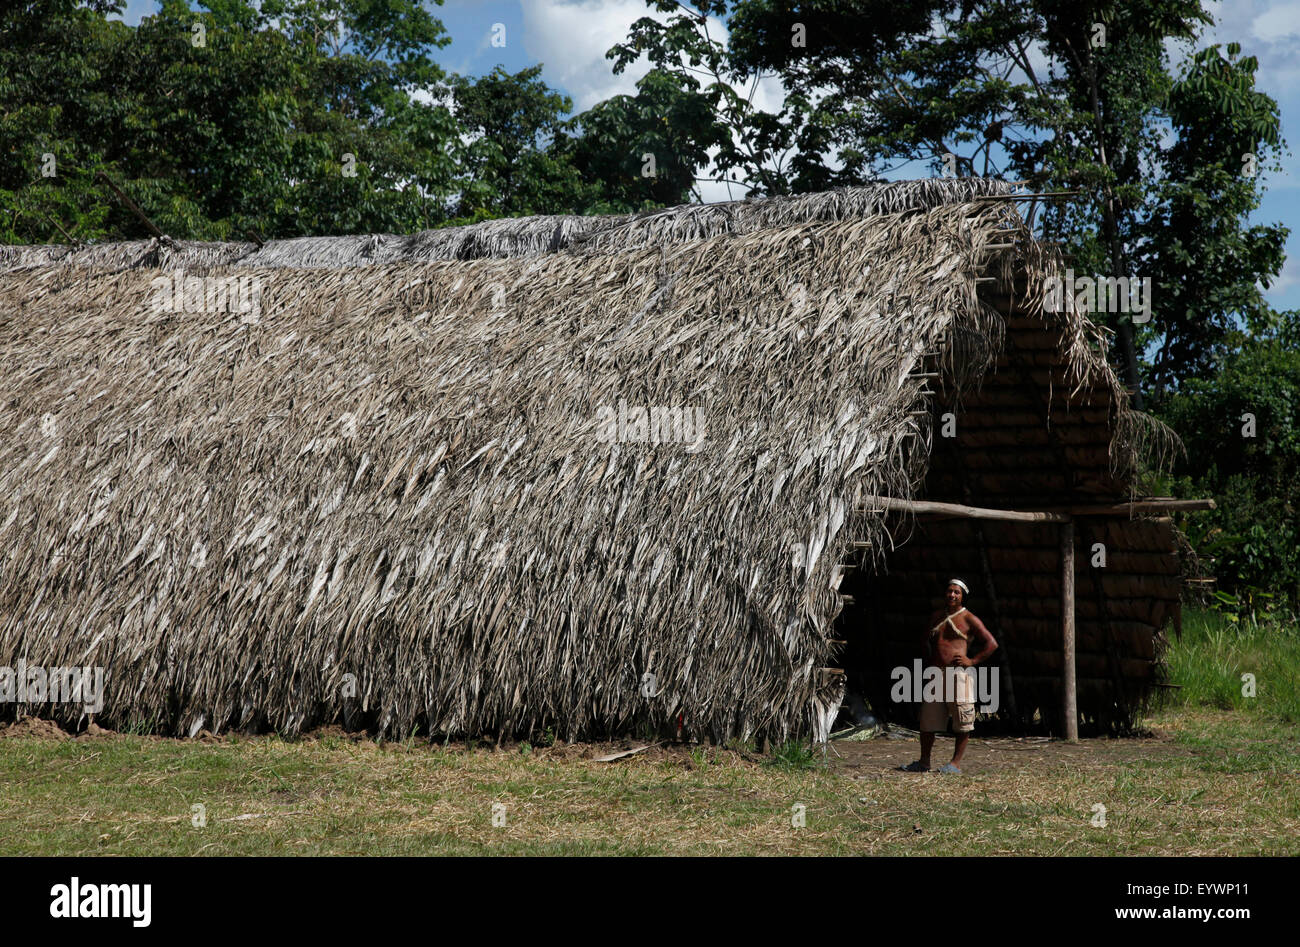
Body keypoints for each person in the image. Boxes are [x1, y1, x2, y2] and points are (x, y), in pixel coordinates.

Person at [900, 578, 998, 775]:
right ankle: (924, 761)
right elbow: (925, 640)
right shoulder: (937, 616)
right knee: (927, 720)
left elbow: (991, 644)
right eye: (949, 591)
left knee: (962, 719)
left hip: (958, 675)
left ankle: (955, 764)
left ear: (963, 597)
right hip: (936, 674)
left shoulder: (969, 618)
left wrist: (971, 661)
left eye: (957, 592)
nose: (952, 595)